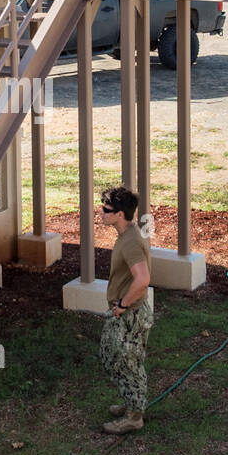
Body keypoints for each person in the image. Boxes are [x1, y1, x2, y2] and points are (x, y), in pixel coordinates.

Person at [98, 186, 152, 434]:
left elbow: (142, 280)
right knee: (115, 357)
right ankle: (132, 402)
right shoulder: (127, 233)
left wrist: (122, 305)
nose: (102, 212)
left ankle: (134, 416)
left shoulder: (130, 242)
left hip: (129, 313)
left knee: (127, 362)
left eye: (107, 210)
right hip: (126, 311)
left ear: (120, 214)